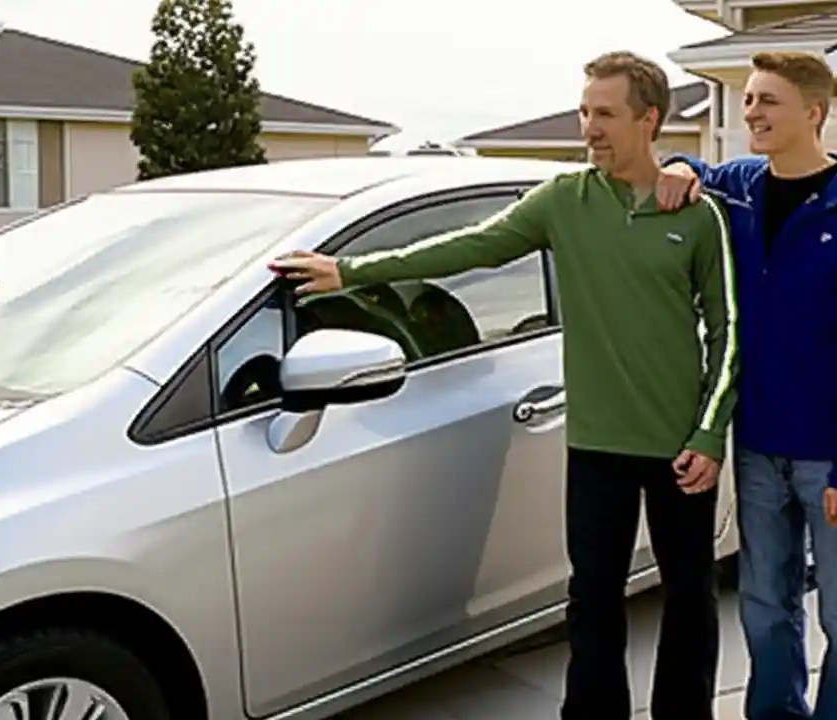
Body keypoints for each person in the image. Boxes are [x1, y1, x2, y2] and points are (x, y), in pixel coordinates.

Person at [270, 51, 738, 720]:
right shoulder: (564, 202)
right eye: (584, 111)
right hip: (598, 444)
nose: (589, 127)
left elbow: (729, 330)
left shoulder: (697, 216)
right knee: (594, 600)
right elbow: (468, 247)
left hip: (681, 448)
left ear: (649, 120)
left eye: (605, 114)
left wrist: (709, 433)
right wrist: (349, 271)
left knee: (689, 597)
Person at [654, 51, 837, 720]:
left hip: (831, 454)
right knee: (766, 606)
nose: (751, 113)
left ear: (814, 112)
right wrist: (681, 166)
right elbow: (696, 170)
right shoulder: (741, 187)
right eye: (748, 100)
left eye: (767, 101)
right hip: (758, 445)